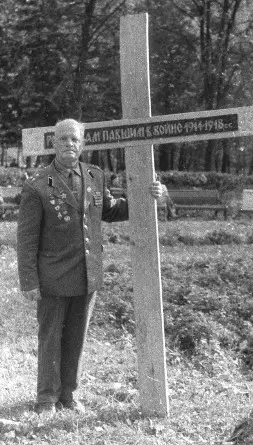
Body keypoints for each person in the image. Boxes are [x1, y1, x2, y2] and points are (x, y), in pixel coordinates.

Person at [17, 118, 162, 415]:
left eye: (75, 139)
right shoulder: (38, 184)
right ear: (53, 144)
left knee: (76, 337)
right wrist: (29, 281)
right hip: (52, 277)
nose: (69, 144)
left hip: (87, 274)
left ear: (83, 144)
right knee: (51, 337)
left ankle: (69, 395)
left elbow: (110, 210)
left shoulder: (95, 176)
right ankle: (46, 398)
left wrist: (147, 196)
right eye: (63, 139)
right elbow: (27, 239)